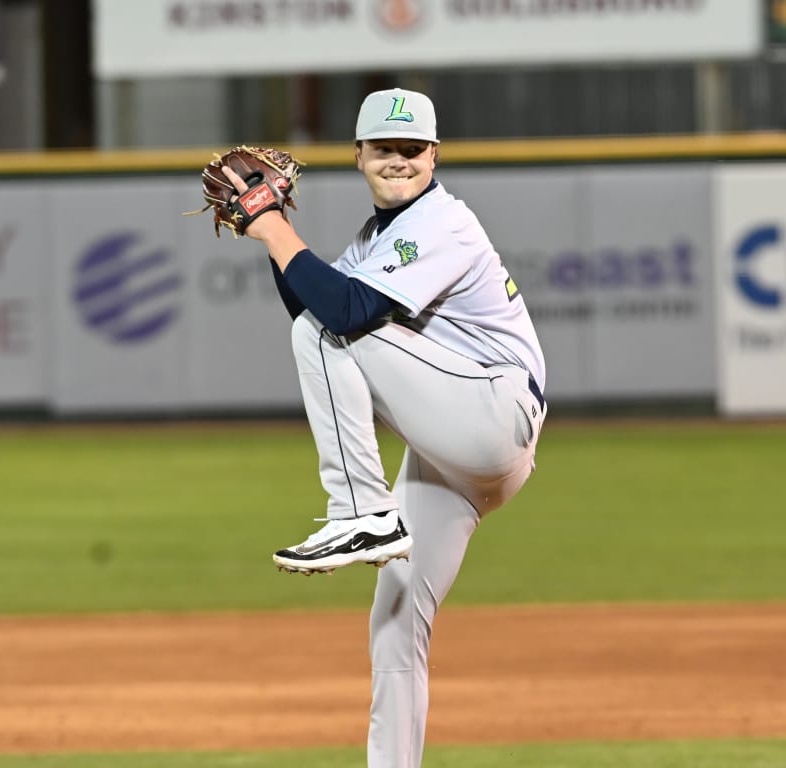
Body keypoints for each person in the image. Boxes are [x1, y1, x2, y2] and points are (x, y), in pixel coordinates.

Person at [223, 88, 546, 768]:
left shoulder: (443, 222)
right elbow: (312, 299)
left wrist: (273, 224)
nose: (397, 161)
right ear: (359, 156)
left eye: (411, 149)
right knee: (396, 630)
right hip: (453, 454)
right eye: (383, 149)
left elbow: (343, 312)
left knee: (328, 328)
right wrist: (270, 226)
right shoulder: (380, 237)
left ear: (433, 155)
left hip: (492, 414)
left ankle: (362, 510)